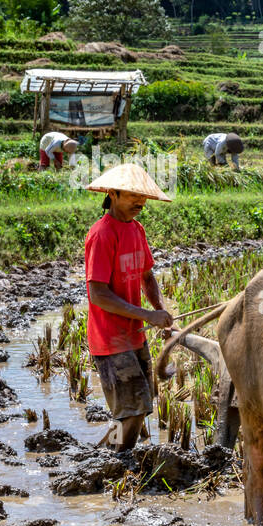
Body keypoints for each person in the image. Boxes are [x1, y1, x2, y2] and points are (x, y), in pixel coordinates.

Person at [83, 163, 175, 451]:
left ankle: (106, 456)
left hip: (134, 335)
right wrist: (148, 315)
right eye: (133, 195)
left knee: (140, 406)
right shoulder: (102, 234)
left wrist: (160, 311)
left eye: (143, 196)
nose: (140, 202)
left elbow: (147, 276)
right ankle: (111, 460)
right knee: (131, 411)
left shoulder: (136, 229)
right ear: (112, 193)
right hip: (110, 339)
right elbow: (97, 294)